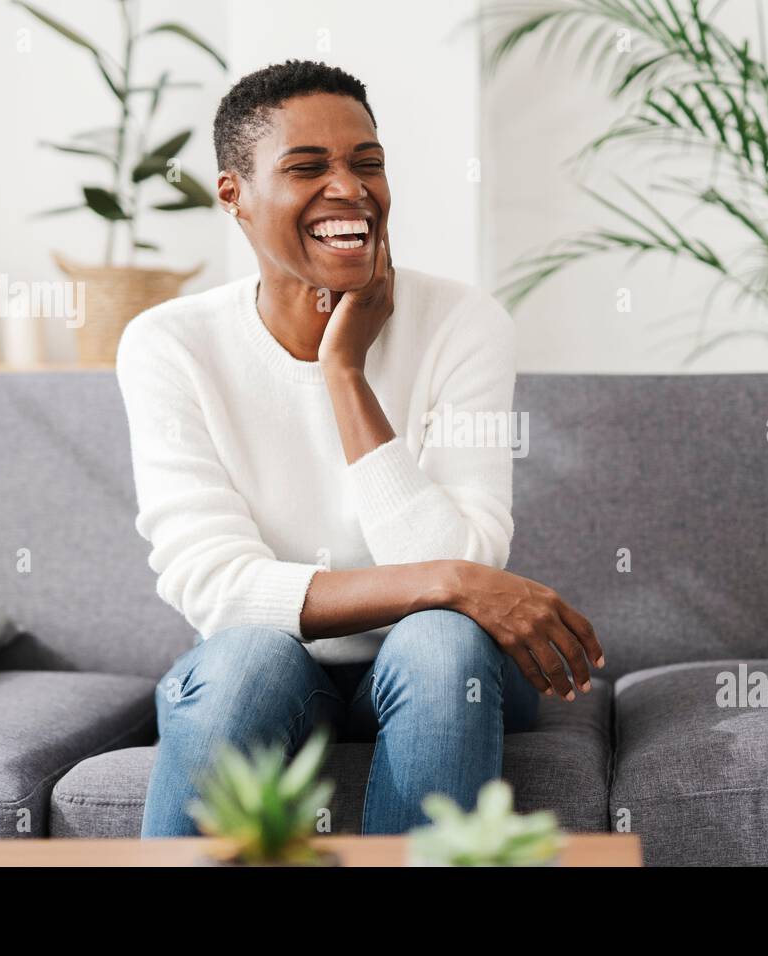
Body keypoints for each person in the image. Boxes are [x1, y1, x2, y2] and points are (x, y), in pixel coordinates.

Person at [117, 59, 603, 836]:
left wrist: (344, 373)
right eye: (307, 167)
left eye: (366, 164)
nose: (349, 190)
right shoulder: (169, 344)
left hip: (448, 670)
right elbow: (216, 588)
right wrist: (451, 580)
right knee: (244, 660)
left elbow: (462, 555)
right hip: (276, 666)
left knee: (441, 641)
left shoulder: (462, 323)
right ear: (233, 196)